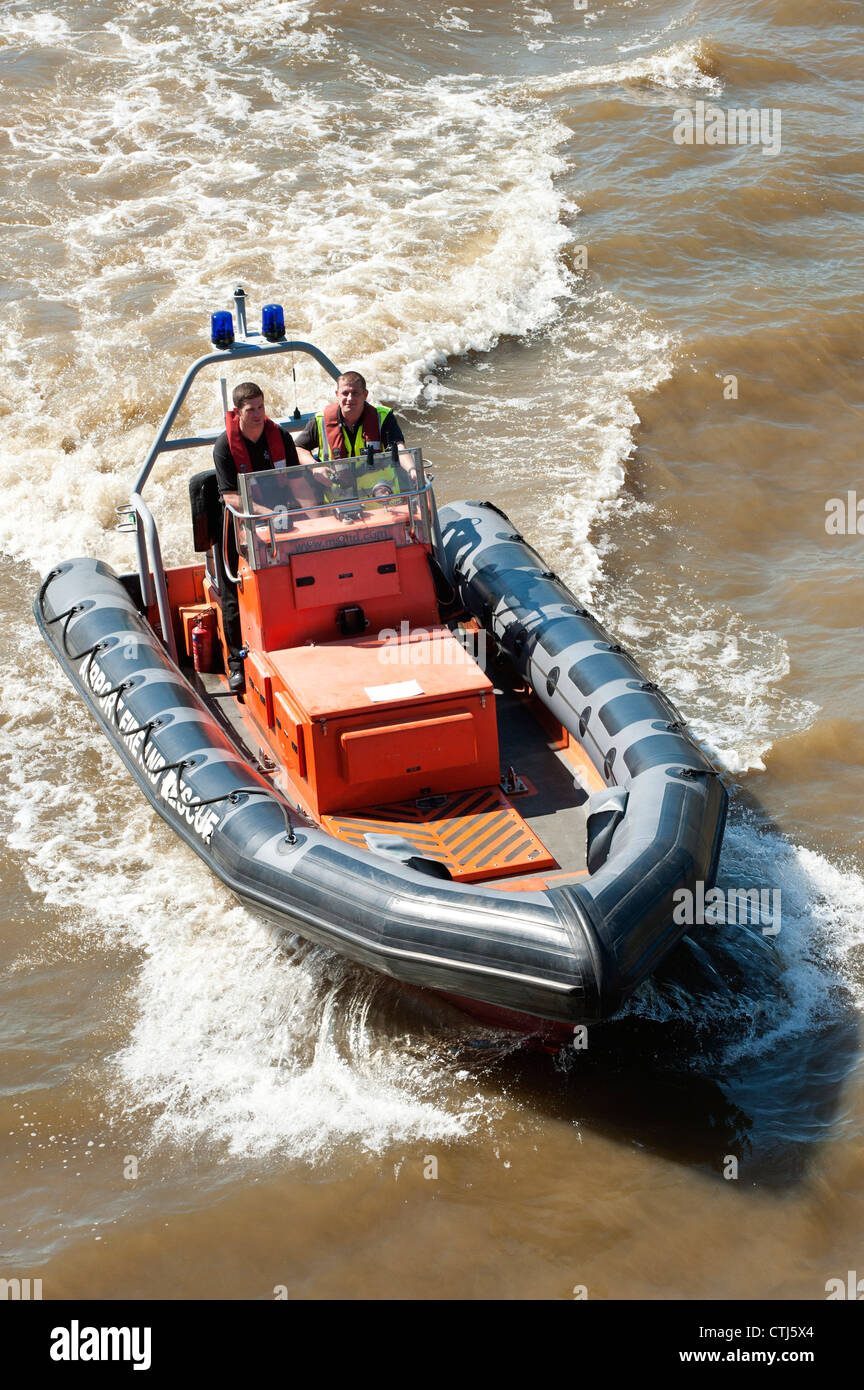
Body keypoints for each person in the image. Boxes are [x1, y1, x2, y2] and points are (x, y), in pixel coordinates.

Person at [213, 382, 316, 693]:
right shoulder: (223, 447)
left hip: (283, 516)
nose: (258, 414)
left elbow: (298, 482)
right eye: (250, 410)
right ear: (237, 413)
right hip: (241, 523)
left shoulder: (280, 437)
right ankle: (236, 663)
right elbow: (231, 495)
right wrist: (263, 514)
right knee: (234, 592)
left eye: (261, 407)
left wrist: (314, 520)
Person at [293, 371, 416, 501]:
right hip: (339, 506)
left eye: (355, 393)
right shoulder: (320, 421)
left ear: (365, 395)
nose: (350, 398)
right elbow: (298, 448)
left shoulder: (383, 417)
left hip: (383, 503)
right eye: (345, 393)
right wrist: (315, 466)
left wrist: (413, 470)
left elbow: (399, 447)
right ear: (337, 395)